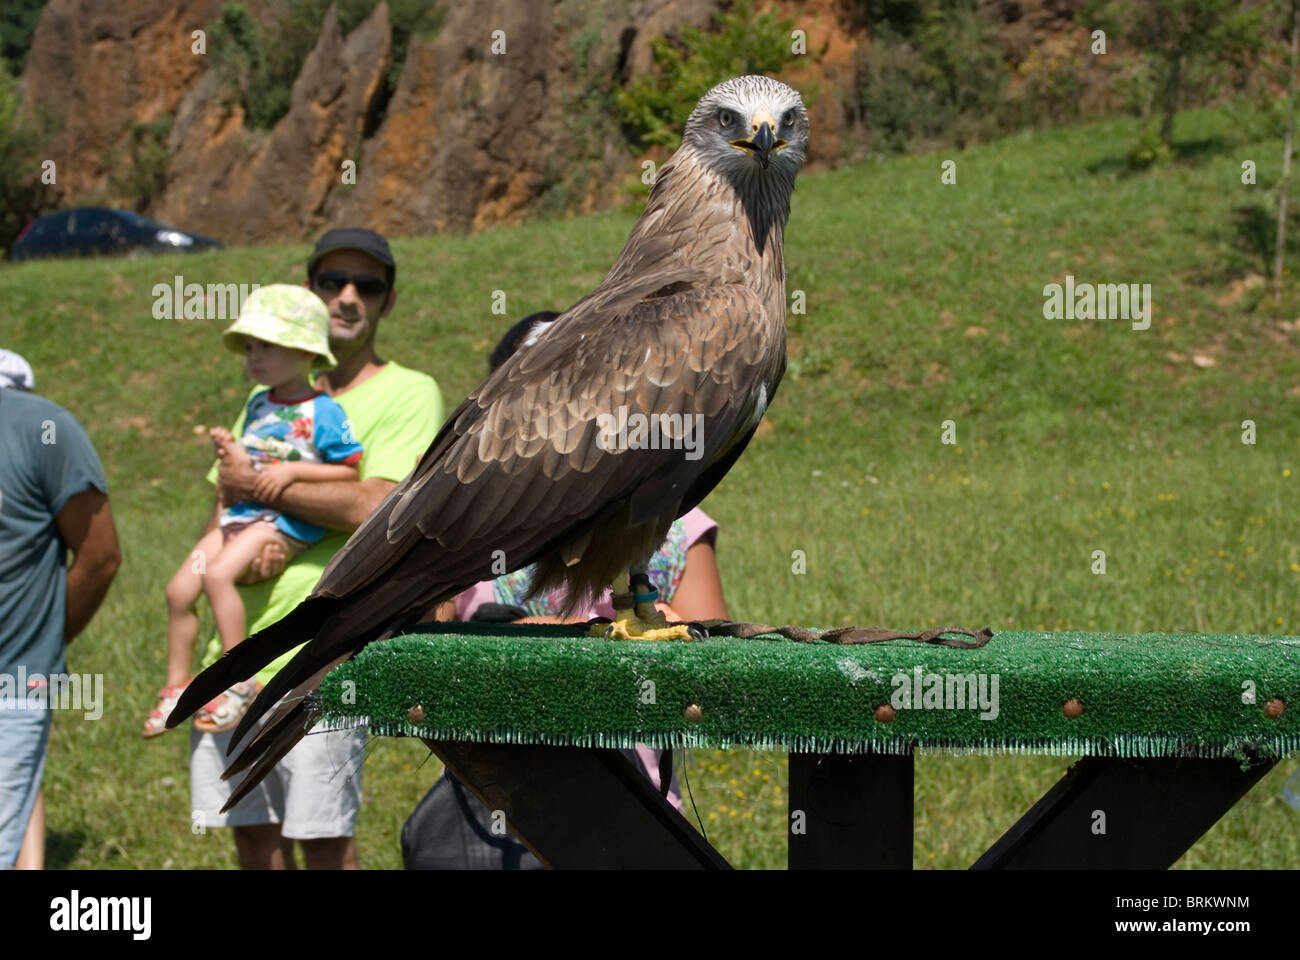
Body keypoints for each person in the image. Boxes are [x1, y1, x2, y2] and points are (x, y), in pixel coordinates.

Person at [402, 313, 729, 869]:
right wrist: (427, 518)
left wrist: (683, 637)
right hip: (488, 806)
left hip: (630, 803)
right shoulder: (465, 515)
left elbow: (712, 678)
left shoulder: (670, 516)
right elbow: (421, 654)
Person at [188, 228, 444, 869]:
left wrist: (264, 493)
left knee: (324, 842)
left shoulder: (410, 393)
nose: (348, 297)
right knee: (253, 838)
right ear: (310, 292)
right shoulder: (266, 392)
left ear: (388, 302)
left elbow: (377, 506)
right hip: (236, 660)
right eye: (333, 282)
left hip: (323, 656)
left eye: (369, 285)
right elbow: (224, 503)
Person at [144, 286, 364, 739]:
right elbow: (249, 458)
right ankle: (176, 683)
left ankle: (237, 679)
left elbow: (348, 470)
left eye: (267, 346)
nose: (253, 358)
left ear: (305, 352)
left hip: (280, 523)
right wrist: (230, 451)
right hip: (240, 514)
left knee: (218, 575)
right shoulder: (258, 402)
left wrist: (292, 475)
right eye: (249, 348)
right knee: (179, 589)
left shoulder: (324, 410)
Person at [0, 356, 122, 869]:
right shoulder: (43, 423)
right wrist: (46, 636)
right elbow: (100, 556)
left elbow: (99, 557)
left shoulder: (34, 426)